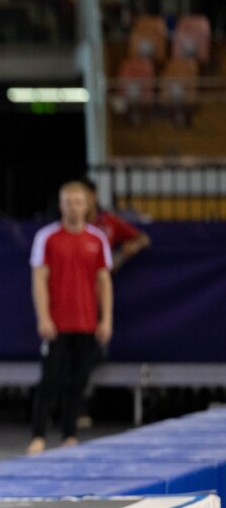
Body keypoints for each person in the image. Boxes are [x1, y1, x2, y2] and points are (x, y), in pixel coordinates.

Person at [27, 181, 114, 455]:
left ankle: (69, 434)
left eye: (79, 202)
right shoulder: (47, 238)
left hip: (87, 323)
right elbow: (39, 279)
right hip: (57, 323)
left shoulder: (96, 239)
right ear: (61, 204)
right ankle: (38, 435)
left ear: (87, 205)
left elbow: (104, 281)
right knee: (49, 380)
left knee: (78, 382)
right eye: (68, 201)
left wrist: (106, 319)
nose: (73, 207)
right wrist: (44, 317)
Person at [76, 180, 150, 429]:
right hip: (75, 293)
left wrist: (125, 251)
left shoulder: (107, 223)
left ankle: (84, 402)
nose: (79, 204)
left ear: (93, 197)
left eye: (83, 198)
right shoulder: (72, 226)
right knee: (73, 349)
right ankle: (77, 404)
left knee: (96, 347)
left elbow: (142, 238)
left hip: (98, 292)